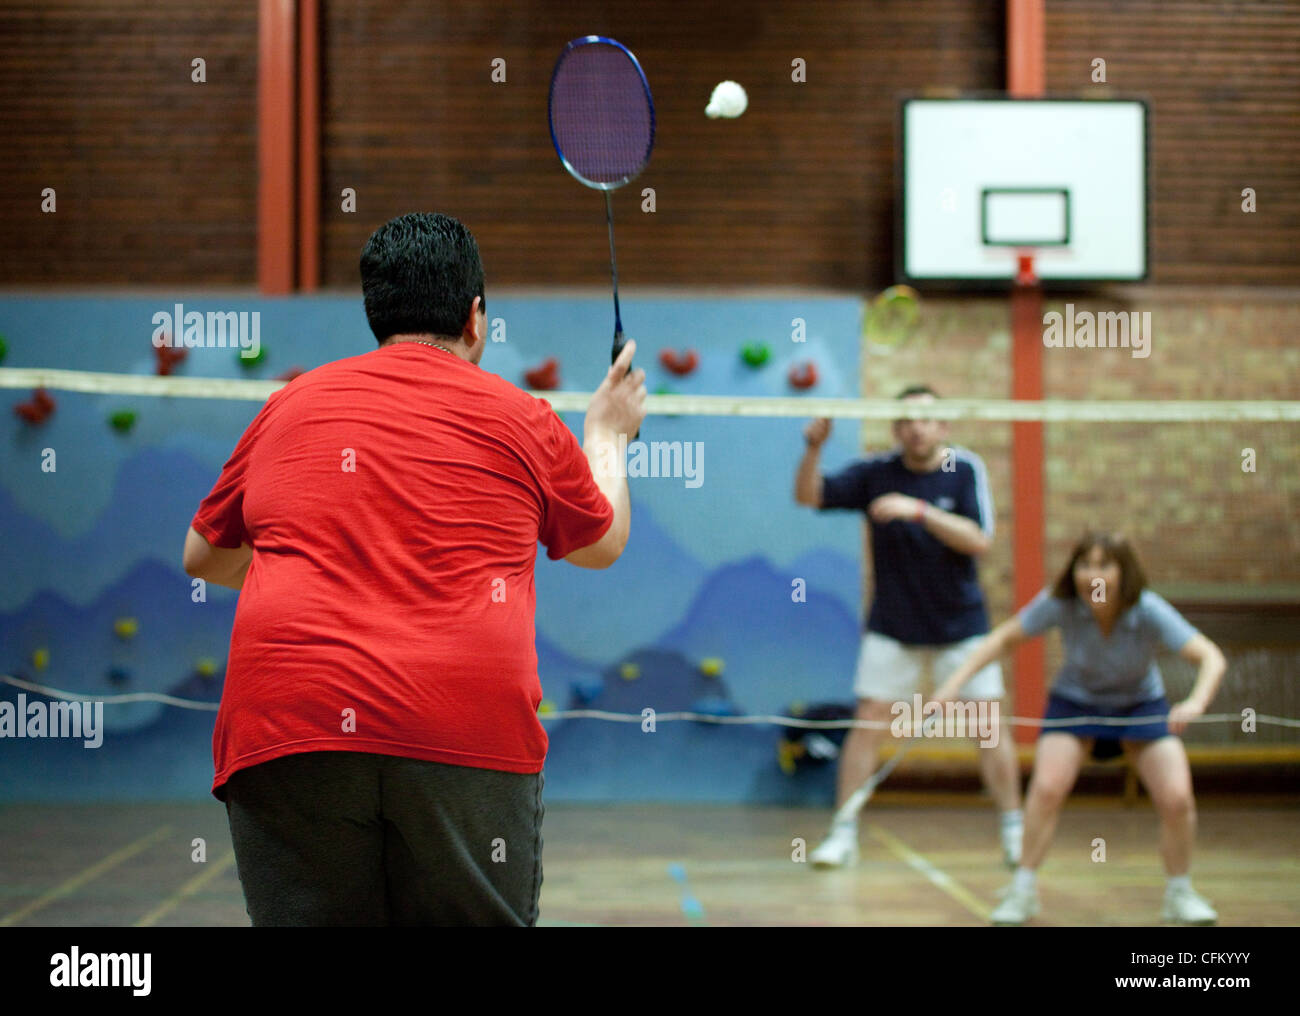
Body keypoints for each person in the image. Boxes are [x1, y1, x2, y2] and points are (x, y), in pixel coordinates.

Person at [181, 212, 646, 926]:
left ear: (376, 314)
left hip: (286, 728)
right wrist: (606, 434)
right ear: (476, 317)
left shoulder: (286, 406)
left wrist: (322, 560)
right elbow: (602, 542)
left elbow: (204, 555)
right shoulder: (523, 418)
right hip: (461, 732)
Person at [933, 531, 1226, 925]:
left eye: (1104, 565)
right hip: (1075, 705)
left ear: (1124, 573)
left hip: (1139, 707)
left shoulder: (1147, 609)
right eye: (1085, 565)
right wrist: (950, 688)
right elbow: (1002, 639)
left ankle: (1180, 893)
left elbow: (1210, 656)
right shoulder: (1060, 604)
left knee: (1177, 798)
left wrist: (1195, 703)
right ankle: (1022, 890)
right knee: (1047, 788)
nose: (1093, 575)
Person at [795, 385, 1023, 868]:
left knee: (988, 725)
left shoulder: (963, 469)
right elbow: (809, 496)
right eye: (906, 419)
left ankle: (1014, 829)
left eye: (927, 418)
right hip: (893, 624)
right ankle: (842, 833)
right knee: (869, 721)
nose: (917, 427)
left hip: (961, 624)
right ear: (896, 428)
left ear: (943, 426)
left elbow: (978, 539)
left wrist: (918, 511)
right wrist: (814, 448)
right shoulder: (877, 472)